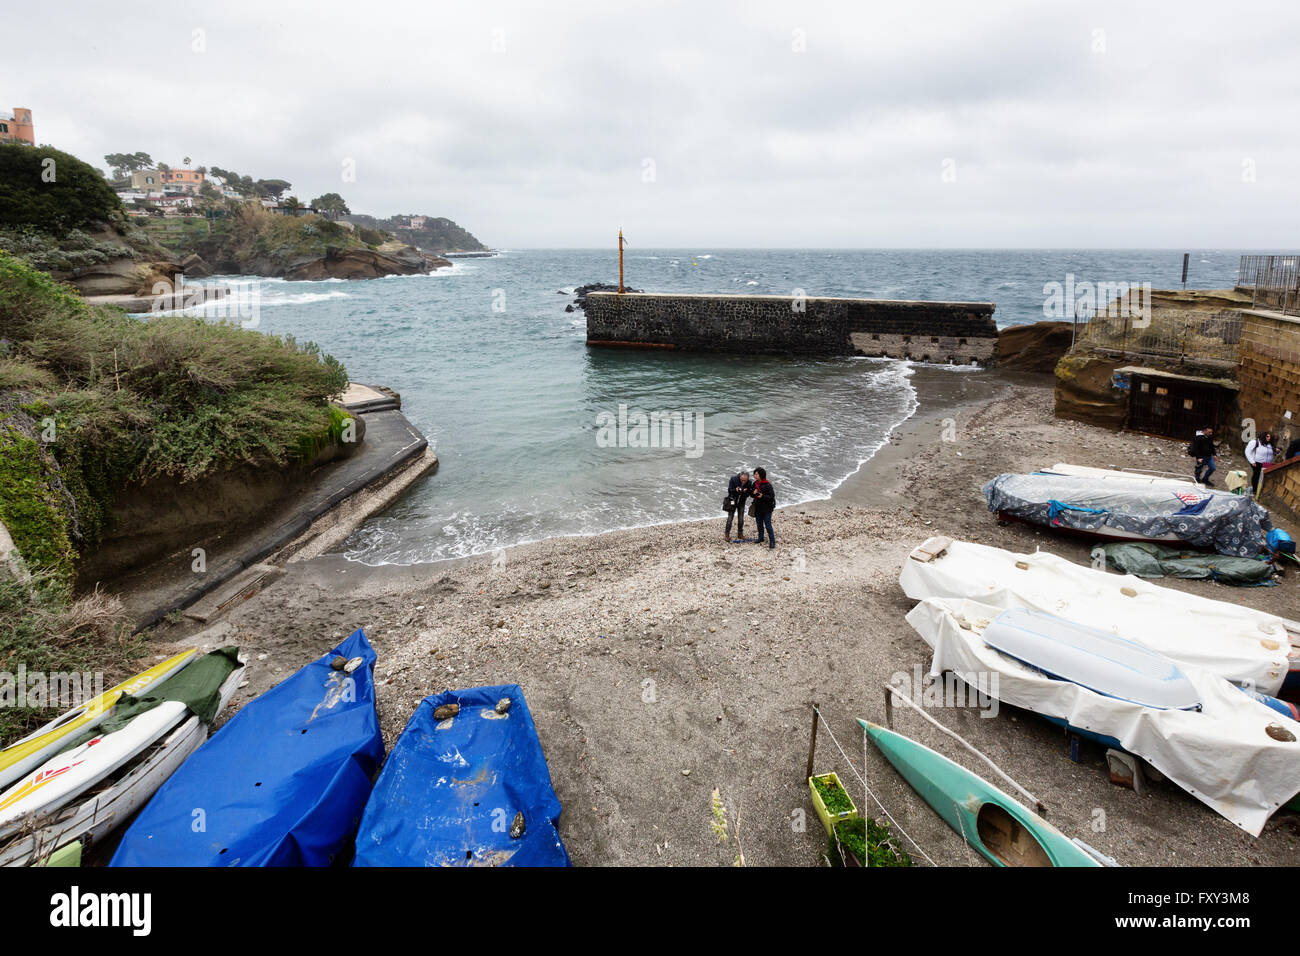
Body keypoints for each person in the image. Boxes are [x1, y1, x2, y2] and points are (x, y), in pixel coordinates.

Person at [724, 470, 753, 542]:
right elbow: (729, 490)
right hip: (733, 500)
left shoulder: (749, 482)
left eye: (745, 480)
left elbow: (749, 494)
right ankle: (727, 534)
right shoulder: (733, 479)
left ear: (747, 479)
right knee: (730, 517)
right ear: (740, 477)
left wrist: (746, 491)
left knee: (741, 518)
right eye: (742, 480)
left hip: (741, 502)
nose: (743, 482)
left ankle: (740, 534)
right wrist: (736, 490)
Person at [751, 467, 776, 549]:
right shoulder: (755, 484)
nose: (755, 476)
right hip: (758, 507)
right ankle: (760, 538)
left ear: (761, 475)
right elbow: (752, 495)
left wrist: (762, 496)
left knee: (768, 525)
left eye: (756, 474)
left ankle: (772, 541)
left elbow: (771, 497)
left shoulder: (767, 485)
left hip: (767, 508)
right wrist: (754, 493)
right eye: (754, 474)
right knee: (759, 524)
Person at [1245, 431, 1276, 495]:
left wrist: (1276, 451)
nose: (1269, 438)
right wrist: (1252, 461)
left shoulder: (1270, 444)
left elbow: (1271, 453)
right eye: (1267, 436)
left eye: (1270, 436)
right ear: (1263, 436)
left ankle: (1261, 490)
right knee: (1257, 476)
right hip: (1257, 463)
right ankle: (1255, 490)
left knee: (1265, 477)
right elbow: (1247, 451)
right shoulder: (1255, 442)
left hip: (1267, 464)